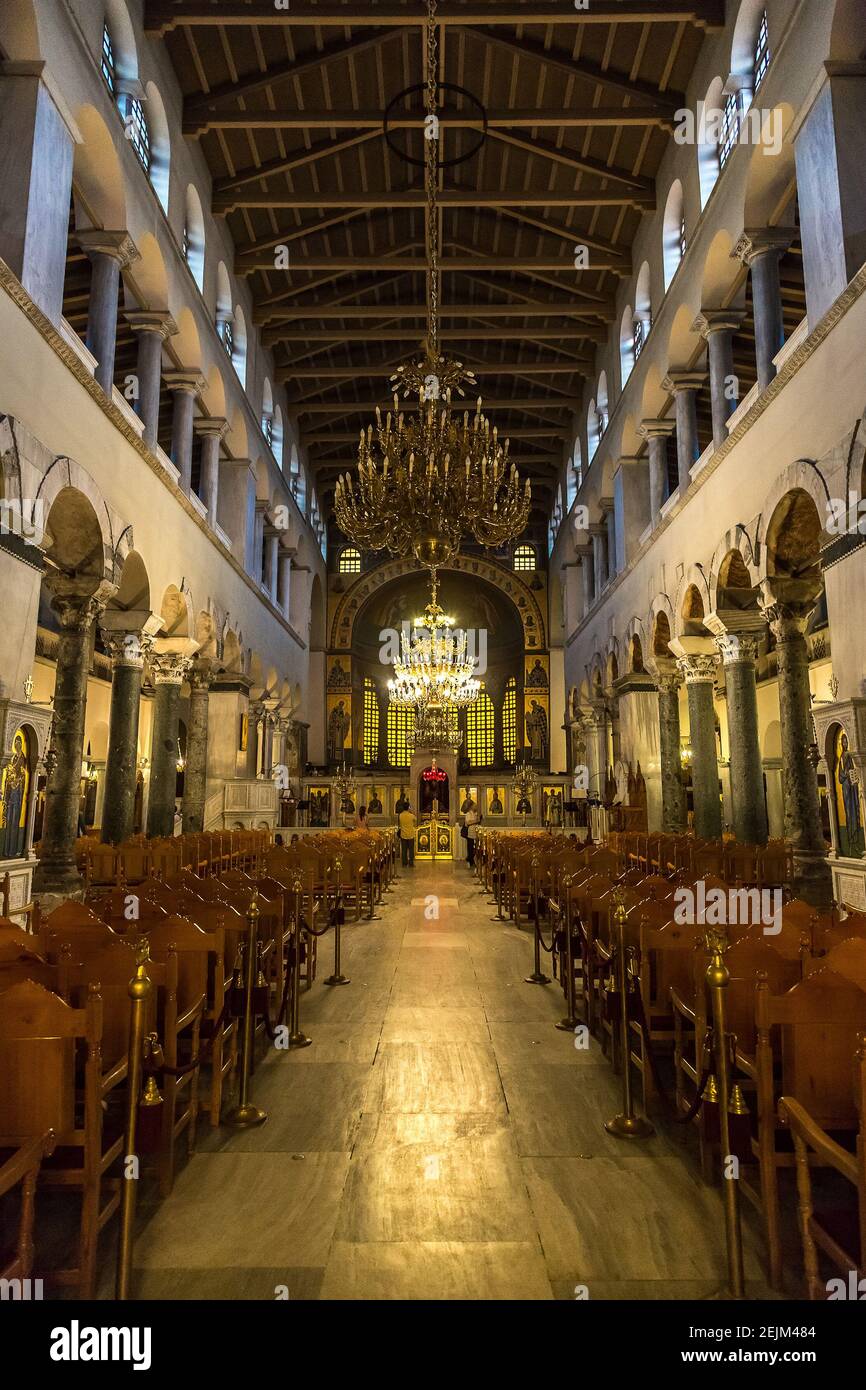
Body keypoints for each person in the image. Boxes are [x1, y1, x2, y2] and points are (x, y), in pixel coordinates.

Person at [398, 800, 417, 867]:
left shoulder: (400, 815)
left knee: (404, 850)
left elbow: (400, 823)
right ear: (408, 807)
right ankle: (411, 863)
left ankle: (404, 863)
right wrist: (411, 812)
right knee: (411, 850)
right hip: (410, 835)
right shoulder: (411, 816)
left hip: (403, 835)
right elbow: (416, 819)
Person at [463, 798, 479, 868]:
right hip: (470, 833)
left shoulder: (475, 813)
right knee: (470, 848)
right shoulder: (468, 814)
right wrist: (476, 821)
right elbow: (467, 823)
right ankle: (469, 861)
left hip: (475, 833)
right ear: (472, 806)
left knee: (474, 848)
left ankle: (472, 861)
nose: (476, 807)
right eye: (475, 806)